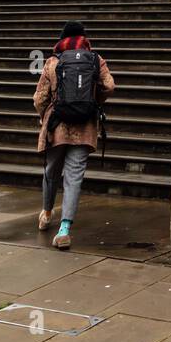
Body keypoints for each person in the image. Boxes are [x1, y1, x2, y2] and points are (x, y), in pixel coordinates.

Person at [33, 20, 115, 249]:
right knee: (74, 176)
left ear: (62, 39)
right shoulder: (95, 60)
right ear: (84, 39)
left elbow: (39, 98)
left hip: (57, 125)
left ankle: (47, 213)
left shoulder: (53, 61)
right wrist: (92, 101)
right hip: (85, 126)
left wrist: (45, 115)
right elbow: (109, 86)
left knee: (51, 171)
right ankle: (64, 229)